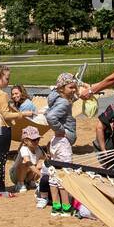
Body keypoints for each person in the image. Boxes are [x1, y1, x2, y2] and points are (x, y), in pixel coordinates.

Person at [44, 71, 79, 217]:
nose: (74, 90)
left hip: (57, 142)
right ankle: (66, 207)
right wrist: (61, 131)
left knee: (54, 173)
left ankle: (56, 206)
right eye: (71, 87)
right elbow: (51, 117)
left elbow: (71, 98)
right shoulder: (64, 102)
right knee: (64, 174)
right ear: (62, 88)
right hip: (63, 141)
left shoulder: (58, 99)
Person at [0, 65, 22, 198]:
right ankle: (2, 189)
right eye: (7, 78)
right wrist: (21, 115)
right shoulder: (2, 94)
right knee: (1, 159)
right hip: (3, 128)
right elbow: (5, 115)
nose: (9, 81)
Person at [13, 125, 46, 200]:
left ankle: (31, 181)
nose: (36, 141)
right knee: (26, 164)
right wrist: (41, 175)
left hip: (29, 173)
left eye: (38, 139)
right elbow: (28, 163)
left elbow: (44, 159)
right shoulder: (24, 149)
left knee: (42, 164)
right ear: (25, 141)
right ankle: (20, 183)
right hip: (16, 174)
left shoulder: (38, 149)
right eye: (33, 140)